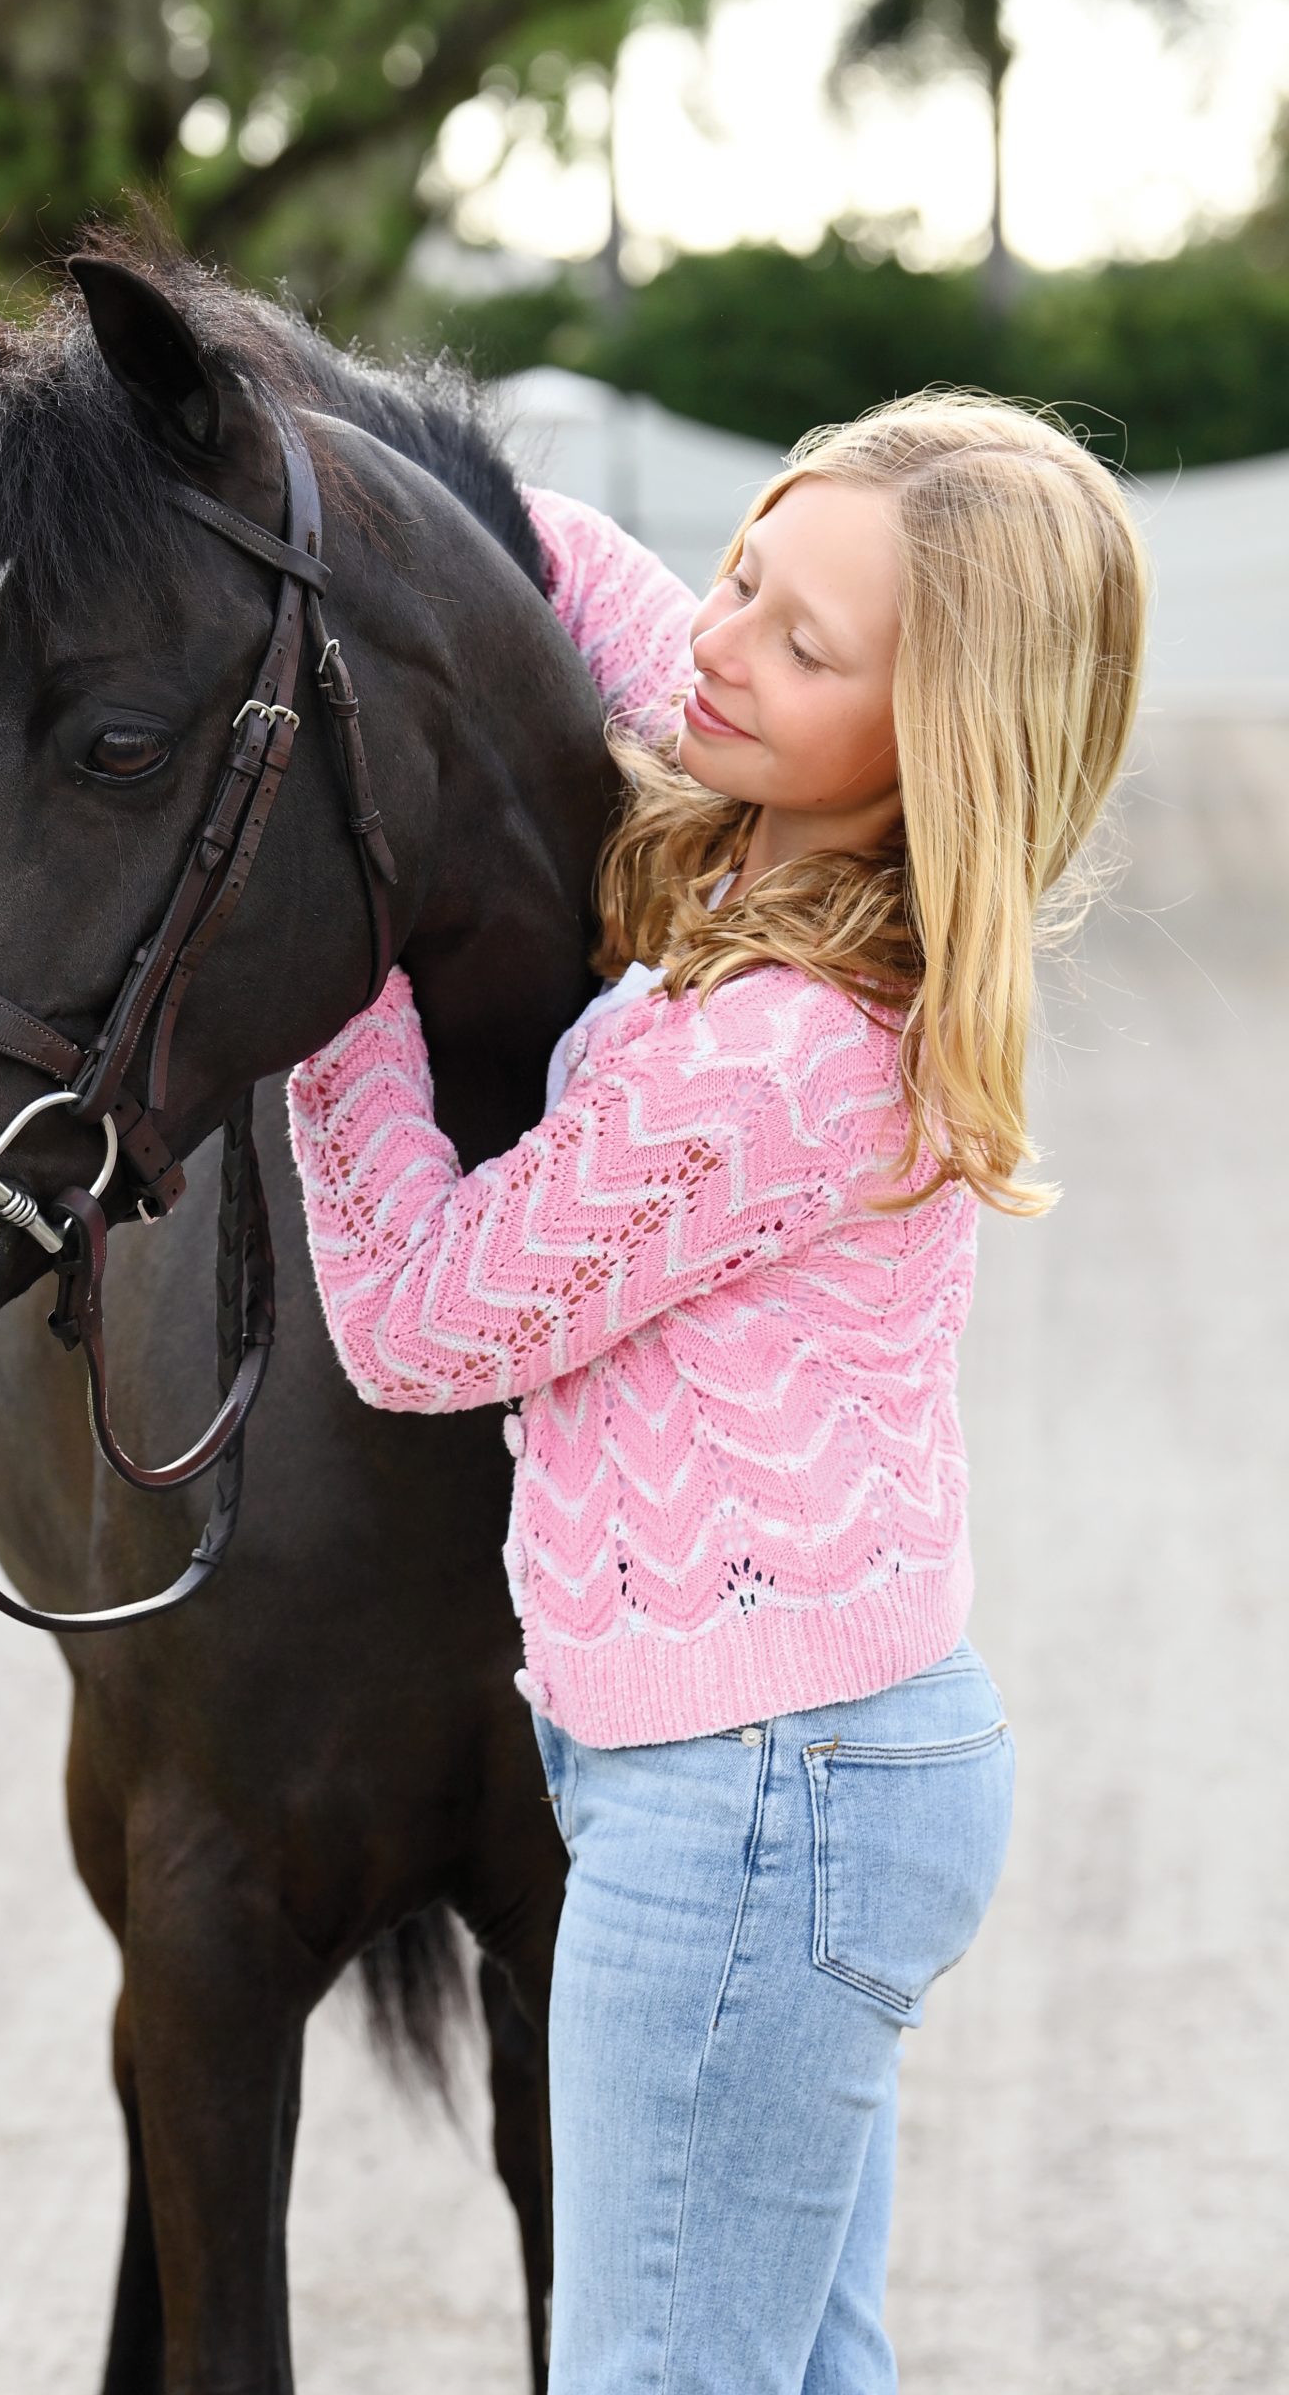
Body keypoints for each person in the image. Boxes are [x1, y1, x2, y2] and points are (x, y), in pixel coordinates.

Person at [286, 393, 1149, 2393]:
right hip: (804, 1772)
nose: (722, 644)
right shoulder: (797, 880)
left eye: (799, 643)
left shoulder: (774, 1057)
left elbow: (420, 1324)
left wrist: (333, 986)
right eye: (748, 571)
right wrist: (325, 460)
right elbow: (582, 582)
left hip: (760, 1802)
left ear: (931, 750)